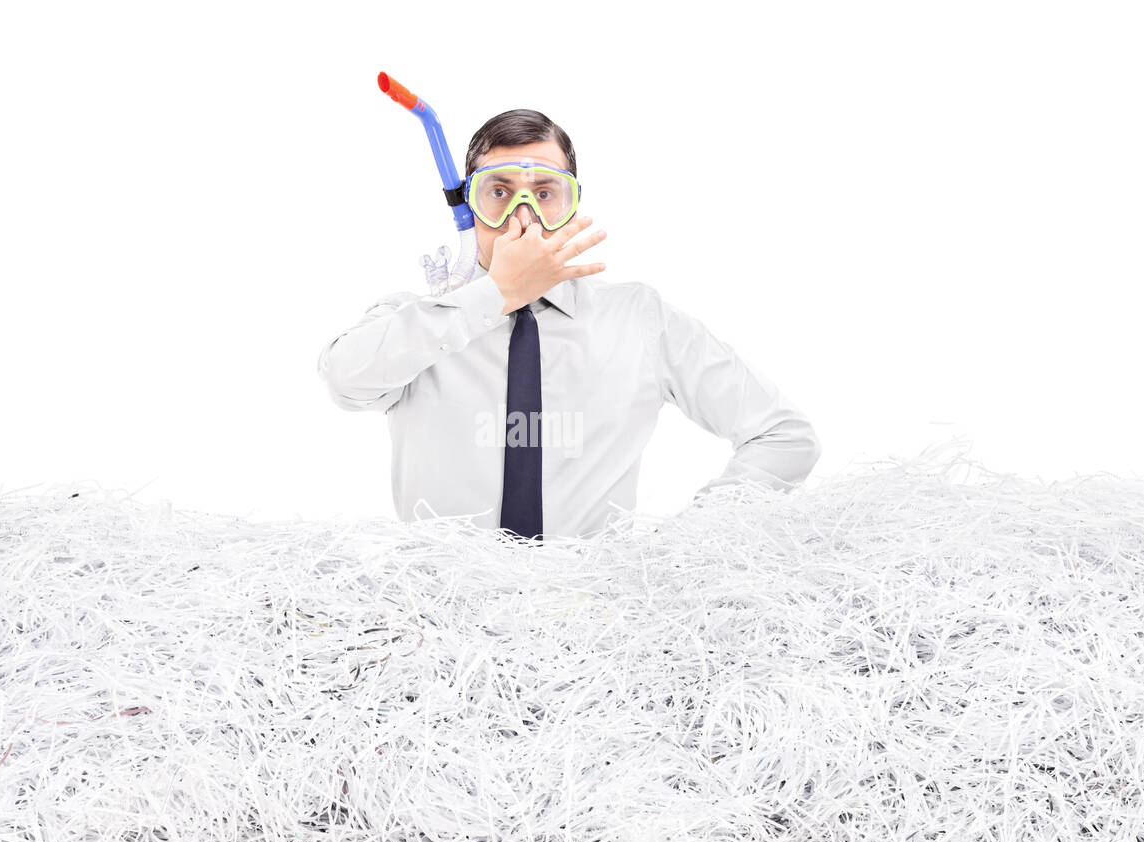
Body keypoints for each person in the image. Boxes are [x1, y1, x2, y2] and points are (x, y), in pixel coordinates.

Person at [318, 108, 821, 542]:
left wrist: (680, 550)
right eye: (498, 192)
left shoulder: (639, 318)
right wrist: (494, 295)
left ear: (570, 204)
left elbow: (784, 436)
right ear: (467, 209)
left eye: (544, 192)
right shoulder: (419, 325)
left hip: (594, 627)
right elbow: (344, 380)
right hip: (442, 628)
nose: (524, 215)